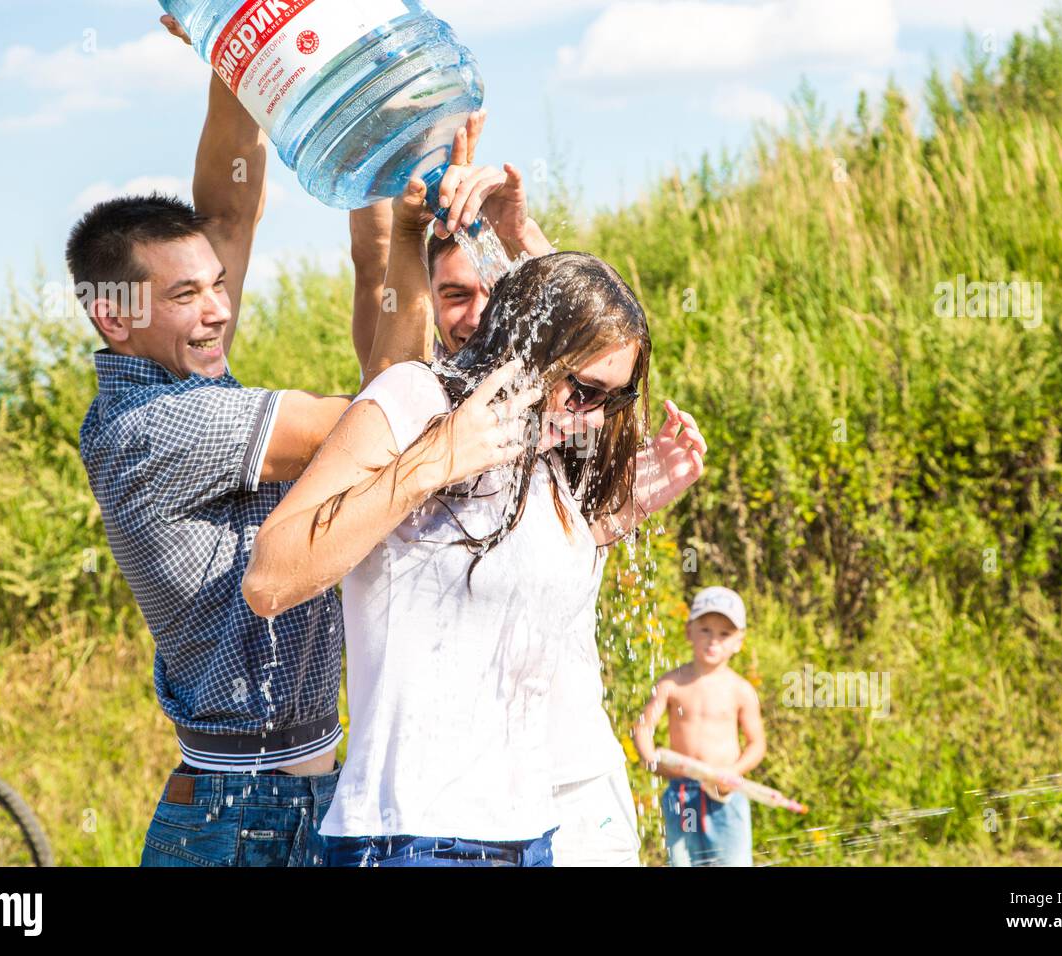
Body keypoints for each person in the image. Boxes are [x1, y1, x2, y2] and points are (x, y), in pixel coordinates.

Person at [70, 14, 493, 866]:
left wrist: (237, 44)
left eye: (218, 286)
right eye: (187, 295)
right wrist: (410, 241)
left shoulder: (181, 370)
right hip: (239, 815)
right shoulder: (154, 428)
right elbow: (387, 420)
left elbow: (228, 202)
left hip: (311, 791)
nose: (219, 309)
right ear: (113, 315)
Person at [242, 250, 707, 866]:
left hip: (531, 833)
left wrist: (615, 519)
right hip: (413, 835)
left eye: (612, 401)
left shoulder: (540, 450)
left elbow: (496, 605)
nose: (591, 417)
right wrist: (435, 458)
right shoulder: (418, 397)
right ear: (530, 347)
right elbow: (270, 576)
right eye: (585, 390)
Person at [371, 165, 652, 867]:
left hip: (580, 783)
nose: (478, 313)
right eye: (454, 295)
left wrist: (517, 230)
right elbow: (385, 365)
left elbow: (613, 358)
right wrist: (400, 227)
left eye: (494, 292)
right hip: (464, 814)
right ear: (430, 305)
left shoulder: (569, 414)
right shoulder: (426, 412)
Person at [632, 587, 766, 867]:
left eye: (724, 634)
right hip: (682, 791)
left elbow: (757, 744)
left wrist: (733, 772)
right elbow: (644, 727)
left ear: (739, 641)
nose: (713, 640)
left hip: (725, 792)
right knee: (683, 862)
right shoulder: (671, 684)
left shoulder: (740, 689)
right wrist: (651, 759)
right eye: (705, 629)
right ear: (688, 631)